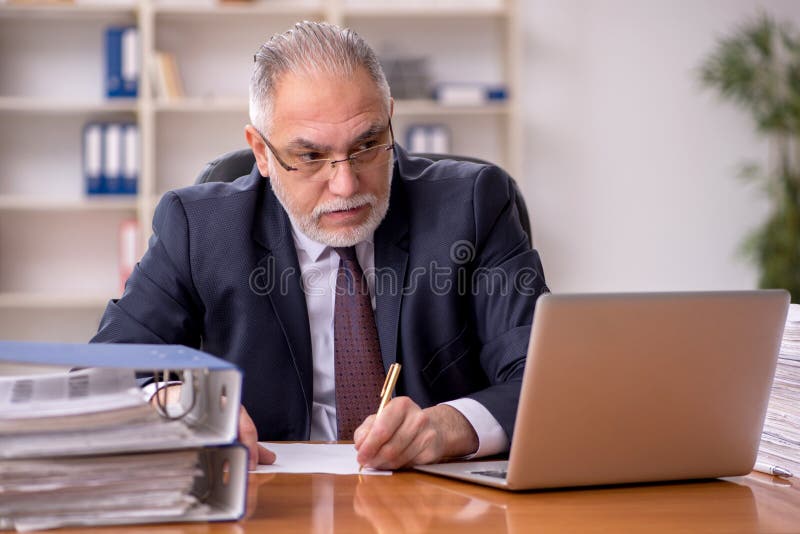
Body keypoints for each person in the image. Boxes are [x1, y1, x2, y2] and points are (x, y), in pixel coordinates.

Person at [92, 21, 548, 471]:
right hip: (267, 499)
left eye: (368, 144)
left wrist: (451, 426)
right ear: (261, 152)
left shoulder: (473, 205)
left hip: (432, 501)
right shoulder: (199, 227)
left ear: (390, 120)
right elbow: (101, 373)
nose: (346, 185)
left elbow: (544, 376)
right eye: (310, 157)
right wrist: (175, 403)